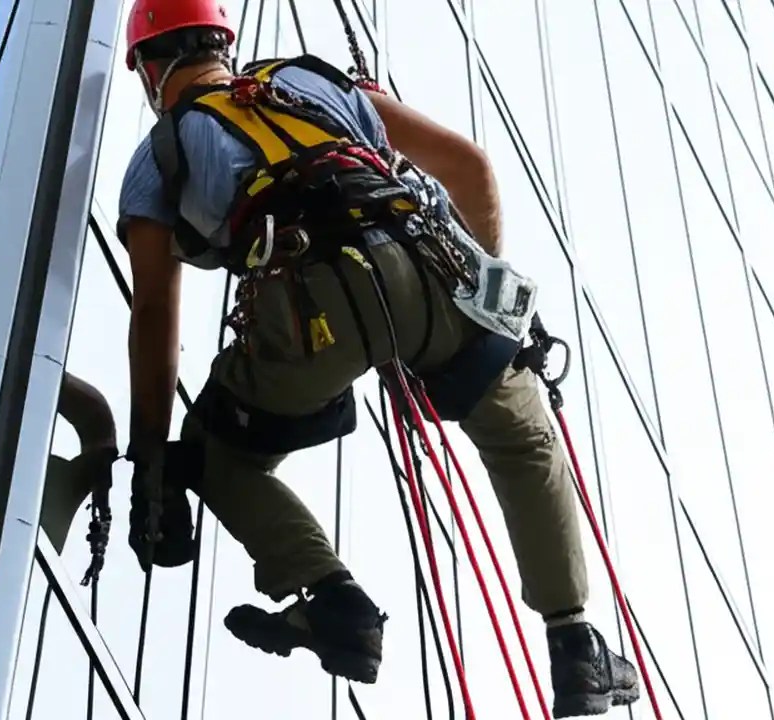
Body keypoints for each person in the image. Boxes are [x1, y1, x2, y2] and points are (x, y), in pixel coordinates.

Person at [114, 1, 639, 716]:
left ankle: (336, 602)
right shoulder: (311, 79)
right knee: (522, 431)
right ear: (222, 43)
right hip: (424, 261)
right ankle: (575, 645)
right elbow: (471, 169)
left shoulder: (157, 157)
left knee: (215, 456)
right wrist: (474, 322)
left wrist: (151, 458)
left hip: (305, 305)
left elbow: (155, 315)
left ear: (149, 68)